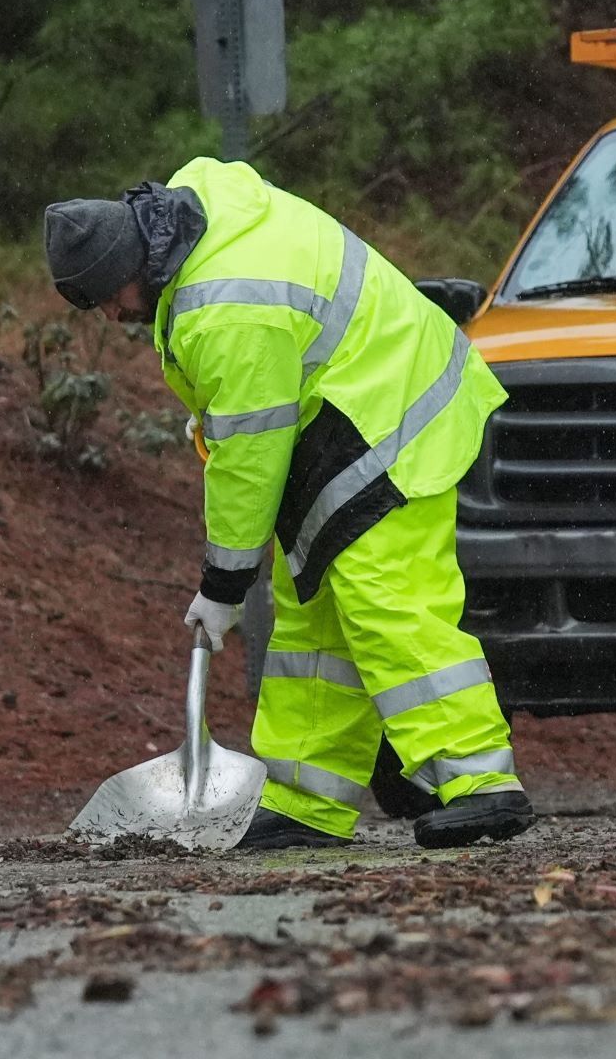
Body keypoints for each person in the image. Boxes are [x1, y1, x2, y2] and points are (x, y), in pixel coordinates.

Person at [42, 157, 534, 851]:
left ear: (131, 265)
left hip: (392, 419)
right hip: (344, 410)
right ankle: (309, 800)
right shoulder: (194, 213)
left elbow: (249, 458)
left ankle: (482, 783)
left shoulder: (227, 308)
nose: (114, 316)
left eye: (107, 299)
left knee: (389, 603)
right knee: (312, 615)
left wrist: (223, 583)